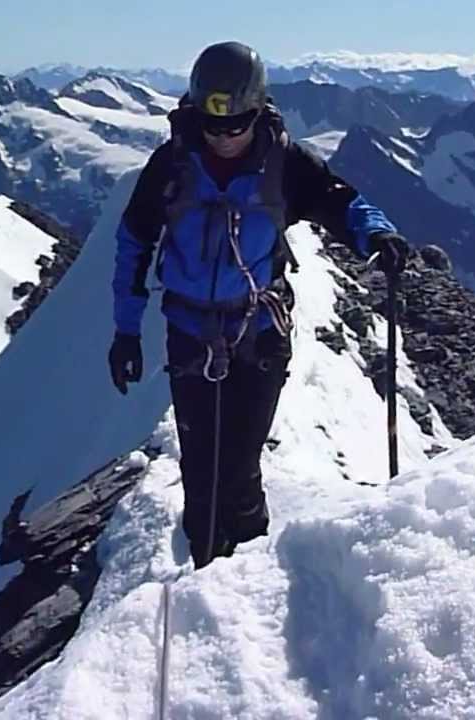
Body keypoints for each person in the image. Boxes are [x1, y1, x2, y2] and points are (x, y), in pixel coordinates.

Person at [108, 41, 410, 569]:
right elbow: (133, 243)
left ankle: (248, 575)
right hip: (189, 336)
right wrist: (126, 333)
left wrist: (376, 236)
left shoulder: (285, 162)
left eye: (236, 124)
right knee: (202, 477)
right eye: (212, 124)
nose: (223, 136)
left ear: (258, 113)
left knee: (241, 472)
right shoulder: (172, 165)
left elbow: (340, 201)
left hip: (259, 333)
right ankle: (208, 571)